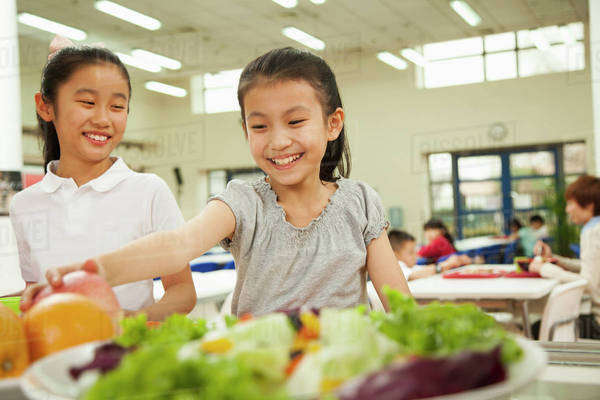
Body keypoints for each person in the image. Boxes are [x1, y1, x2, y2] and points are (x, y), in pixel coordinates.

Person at [21, 47, 410, 316]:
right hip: (260, 375)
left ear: (332, 123)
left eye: (295, 121)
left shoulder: (359, 201)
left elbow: (398, 303)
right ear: (245, 130)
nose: (278, 141)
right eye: (260, 126)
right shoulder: (242, 202)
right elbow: (178, 245)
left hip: (347, 375)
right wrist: (91, 271)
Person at [11, 37, 195, 320]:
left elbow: (182, 291)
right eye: (88, 102)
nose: (103, 119)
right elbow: (35, 293)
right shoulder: (24, 204)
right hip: (55, 354)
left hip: (125, 355)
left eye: (117, 107)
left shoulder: (148, 191)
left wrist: (128, 322)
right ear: (46, 106)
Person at [530, 175, 600, 339]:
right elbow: (592, 268)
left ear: (589, 205)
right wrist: (556, 259)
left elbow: (588, 283)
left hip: (596, 325)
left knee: (535, 328)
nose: (567, 209)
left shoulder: (593, 232)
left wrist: (544, 268)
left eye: (570, 203)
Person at [388, 230, 469, 280]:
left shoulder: (411, 267)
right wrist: (445, 265)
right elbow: (413, 275)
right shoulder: (397, 267)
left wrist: (451, 264)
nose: (415, 255)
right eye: (411, 252)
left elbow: (425, 269)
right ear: (395, 255)